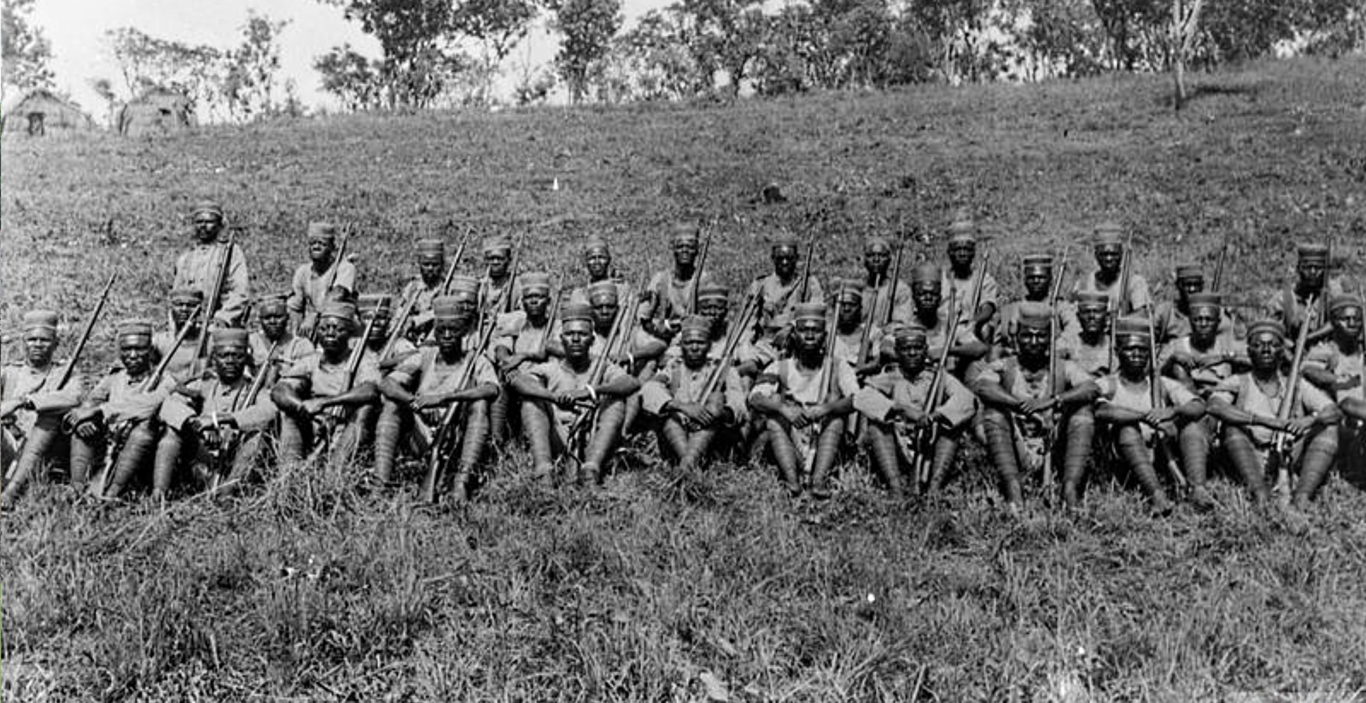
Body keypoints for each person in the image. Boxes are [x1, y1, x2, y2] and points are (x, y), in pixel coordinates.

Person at [972, 303, 1099, 510]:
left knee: (1083, 412)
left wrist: (1055, 400)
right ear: (1017, 337)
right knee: (994, 412)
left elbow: (1091, 388)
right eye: (1027, 336)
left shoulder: (1063, 367)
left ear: (1050, 339)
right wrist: (1019, 405)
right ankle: (1013, 490)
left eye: (1040, 336)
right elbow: (983, 386)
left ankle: (1070, 489)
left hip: (1053, 445)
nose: (1033, 342)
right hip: (1017, 445)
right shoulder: (1005, 366)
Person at [373, 297, 499, 500]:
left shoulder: (476, 360)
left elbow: (491, 389)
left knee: (479, 404)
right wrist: (414, 402)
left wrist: (444, 398)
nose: (447, 336)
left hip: (457, 437)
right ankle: (380, 484)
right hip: (421, 433)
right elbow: (388, 384)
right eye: (442, 331)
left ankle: (462, 482)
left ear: (464, 332)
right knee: (391, 406)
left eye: (454, 330)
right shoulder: (424, 355)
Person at [1207, 320, 1342, 509]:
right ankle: (1259, 492)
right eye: (1258, 345)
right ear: (1249, 351)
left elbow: (1333, 410)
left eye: (1273, 345)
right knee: (1232, 427)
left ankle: (1303, 496)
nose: (1266, 350)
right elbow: (1214, 406)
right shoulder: (1238, 381)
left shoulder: (1295, 384)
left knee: (1329, 427)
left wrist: (1310, 420)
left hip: (1290, 454)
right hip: (1250, 454)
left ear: (1281, 352)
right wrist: (1262, 421)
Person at [511, 304, 641, 487]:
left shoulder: (603, 367)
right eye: (570, 335)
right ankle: (544, 471)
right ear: (562, 339)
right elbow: (520, 382)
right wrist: (553, 397)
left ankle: (591, 469)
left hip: (593, 439)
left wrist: (590, 392)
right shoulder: (550, 368)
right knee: (532, 401)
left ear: (592, 340)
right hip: (557, 437)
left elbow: (631, 382)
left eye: (582, 334)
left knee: (615, 401)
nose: (576, 339)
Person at [1092, 317, 1207, 514]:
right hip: (1126, 460)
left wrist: (1173, 411)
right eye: (1129, 349)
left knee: (1192, 426)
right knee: (1127, 430)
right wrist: (1144, 416)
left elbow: (1198, 405)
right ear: (1117, 352)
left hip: (1162, 454)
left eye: (1143, 350)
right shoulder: (1107, 384)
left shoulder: (1161, 384)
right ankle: (1156, 495)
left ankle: (1197, 489)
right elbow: (1102, 411)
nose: (1136, 354)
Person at [749, 302, 859, 497]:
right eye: (803, 330)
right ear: (794, 335)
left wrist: (827, 409)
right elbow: (755, 398)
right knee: (775, 419)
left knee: (836, 419)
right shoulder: (780, 367)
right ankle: (792, 482)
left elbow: (857, 398)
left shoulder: (837, 366)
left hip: (824, 441)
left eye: (815, 331)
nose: (809, 336)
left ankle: (819, 481)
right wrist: (784, 409)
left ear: (824, 336)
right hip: (793, 440)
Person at [855, 326, 977, 498]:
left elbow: (967, 399)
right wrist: (900, 409)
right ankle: (895, 487)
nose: (912, 353)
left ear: (925, 350)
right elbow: (862, 398)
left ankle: (935, 487)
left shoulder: (938, 376)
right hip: (899, 443)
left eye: (917, 348)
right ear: (897, 352)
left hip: (930, 446)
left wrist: (938, 415)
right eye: (906, 349)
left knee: (953, 426)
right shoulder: (890, 376)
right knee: (876, 425)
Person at [158, 328, 276, 497]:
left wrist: (224, 419)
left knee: (255, 439)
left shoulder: (254, 389)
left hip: (234, 460)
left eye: (237, 356)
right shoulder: (203, 384)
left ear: (246, 359)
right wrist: (196, 423)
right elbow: (170, 404)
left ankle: (229, 492)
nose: (230, 361)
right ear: (214, 358)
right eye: (224, 356)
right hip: (200, 458)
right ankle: (160, 494)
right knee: (171, 433)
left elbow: (268, 411)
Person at [67, 320, 176, 501]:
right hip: (111, 441)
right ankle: (77, 488)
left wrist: (101, 411)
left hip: (143, 452)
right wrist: (85, 417)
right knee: (83, 422)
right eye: (126, 350)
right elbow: (92, 400)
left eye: (140, 349)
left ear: (150, 350)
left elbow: (149, 405)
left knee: (143, 429)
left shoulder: (166, 380)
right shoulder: (115, 377)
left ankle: (112, 493)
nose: (132, 355)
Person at [271, 301, 380, 466]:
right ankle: (289, 473)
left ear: (350, 333)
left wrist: (326, 402)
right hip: (315, 423)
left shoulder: (363, 360)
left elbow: (370, 390)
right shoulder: (310, 361)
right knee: (288, 412)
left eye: (338, 329)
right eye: (324, 329)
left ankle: (337, 472)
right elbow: (280, 390)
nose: (330, 334)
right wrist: (301, 407)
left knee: (365, 409)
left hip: (348, 423)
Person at [641, 316, 746, 472]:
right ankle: (689, 464)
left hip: (713, 440)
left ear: (709, 345)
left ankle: (686, 466)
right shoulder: (674, 367)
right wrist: (682, 407)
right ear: (682, 345)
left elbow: (739, 404)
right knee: (669, 417)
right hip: (678, 435)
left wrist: (720, 412)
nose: (695, 348)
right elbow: (649, 388)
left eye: (700, 343)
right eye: (689, 343)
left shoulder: (723, 370)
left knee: (716, 400)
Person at [0, 310, 84, 504]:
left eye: (44, 340)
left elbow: (74, 397)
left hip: (47, 448)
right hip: (11, 445)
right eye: (32, 339)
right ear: (23, 342)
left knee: (49, 417)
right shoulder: (9, 372)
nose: (37, 345)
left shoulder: (67, 372)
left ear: (56, 343)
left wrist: (24, 401)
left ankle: (13, 491)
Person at [1300, 295, 1363, 476]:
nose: (1352, 324)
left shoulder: (1361, 350)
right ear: (1334, 322)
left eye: (1357, 319)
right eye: (1346, 319)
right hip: (1343, 422)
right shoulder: (1326, 350)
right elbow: (1308, 369)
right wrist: (1336, 379)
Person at [490, 272, 556, 444]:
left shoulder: (556, 327)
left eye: (539, 297)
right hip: (515, 378)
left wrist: (524, 356)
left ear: (548, 302)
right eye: (529, 297)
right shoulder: (516, 323)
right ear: (522, 302)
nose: (534, 301)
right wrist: (508, 362)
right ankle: (496, 440)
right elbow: (501, 347)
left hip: (543, 382)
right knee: (500, 382)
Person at [172, 200, 250, 327]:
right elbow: (176, 295)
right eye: (199, 222)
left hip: (219, 323)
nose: (203, 226)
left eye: (209, 222)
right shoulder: (186, 257)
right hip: (188, 324)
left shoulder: (230, 252)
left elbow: (240, 292)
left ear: (219, 225)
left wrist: (223, 317)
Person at [907, 262, 989, 378]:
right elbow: (886, 348)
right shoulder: (905, 327)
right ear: (914, 297)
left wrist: (946, 351)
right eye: (922, 294)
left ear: (940, 298)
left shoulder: (950, 325)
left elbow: (980, 348)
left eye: (933, 294)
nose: (928, 298)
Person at [1158, 292, 1244, 395]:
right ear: (1190, 321)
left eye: (1209, 320)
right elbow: (1155, 375)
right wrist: (1171, 360)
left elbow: (1256, 364)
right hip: (1187, 403)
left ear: (1218, 321)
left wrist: (1224, 358)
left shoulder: (1228, 345)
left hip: (1221, 401)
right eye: (1198, 320)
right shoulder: (1176, 346)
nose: (1203, 324)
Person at [641, 222, 714, 341]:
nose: (685, 251)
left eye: (690, 247)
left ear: (697, 250)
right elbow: (645, 316)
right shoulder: (660, 279)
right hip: (663, 335)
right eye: (680, 247)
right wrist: (658, 331)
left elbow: (708, 320)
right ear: (673, 248)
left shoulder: (703, 280)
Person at [747, 232, 824, 337]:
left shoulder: (809, 284)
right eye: (780, 258)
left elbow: (816, 317)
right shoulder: (760, 285)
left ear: (796, 258)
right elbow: (748, 323)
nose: (784, 262)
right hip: (765, 345)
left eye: (789, 258)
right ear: (773, 258)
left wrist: (792, 326)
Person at [289, 222, 357, 339]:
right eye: (313, 243)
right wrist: (296, 335)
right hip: (314, 328)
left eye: (322, 243)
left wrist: (314, 315)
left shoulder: (345, 268)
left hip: (340, 327)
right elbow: (294, 306)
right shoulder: (303, 272)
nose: (316, 247)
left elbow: (336, 296)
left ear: (332, 247)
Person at [1262, 243, 1343, 339]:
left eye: (1318, 268)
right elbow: (1270, 331)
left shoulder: (1334, 294)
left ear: (1326, 270)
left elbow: (1344, 323)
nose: (1313, 272)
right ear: (1298, 269)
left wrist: (1312, 337)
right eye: (1307, 267)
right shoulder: (1284, 298)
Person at [996, 253, 1072, 352]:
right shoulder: (1011, 309)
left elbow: (1072, 332)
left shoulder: (1061, 307)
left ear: (1050, 280)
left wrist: (1051, 349)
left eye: (1041, 277)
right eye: (1031, 278)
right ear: (1025, 280)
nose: (1036, 281)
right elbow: (998, 343)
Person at [1071, 222, 1151, 316]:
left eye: (1113, 254)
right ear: (1096, 255)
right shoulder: (1084, 284)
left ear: (1121, 254)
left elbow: (1143, 314)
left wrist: (1118, 323)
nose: (1109, 259)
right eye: (1104, 254)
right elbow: (1073, 315)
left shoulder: (1134, 283)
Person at [942, 219, 999, 339]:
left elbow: (988, 307)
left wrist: (974, 322)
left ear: (973, 253)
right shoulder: (941, 279)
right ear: (950, 252)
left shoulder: (983, 279)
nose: (962, 254)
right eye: (958, 250)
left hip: (971, 329)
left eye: (967, 250)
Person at [249, 292, 315, 393]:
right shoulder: (251, 342)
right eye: (267, 318)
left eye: (278, 317)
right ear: (259, 319)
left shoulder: (301, 345)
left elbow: (307, 374)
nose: (273, 321)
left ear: (287, 317)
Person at [398, 238, 450, 342]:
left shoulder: (448, 287)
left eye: (435, 264)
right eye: (426, 264)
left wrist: (417, 320)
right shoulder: (412, 287)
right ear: (419, 264)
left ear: (442, 264)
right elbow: (400, 313)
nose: (430, 268)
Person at [154, 288, 208, 383]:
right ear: (171, 308)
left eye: (191, 305)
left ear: (199, 310)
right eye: (179, 304)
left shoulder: (209, 341)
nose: (184, 309)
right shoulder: (160, 341)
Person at [857, 235, 911, 328]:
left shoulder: (900, 290)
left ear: (889, 260)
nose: (876, 260)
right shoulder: (857, 289)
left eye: (881, 256)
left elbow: (901, 323)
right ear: (864, 260)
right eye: (871, 255)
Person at [568, 235, 631, 306]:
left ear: (609, 260)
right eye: (592, 258)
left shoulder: (621, 290)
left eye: (601, 257)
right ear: (586, 262)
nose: (597, 262)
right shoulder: (578, 295)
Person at [479, 234, 520, 316]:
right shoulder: (480, 285)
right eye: (492, 258)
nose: (495, 262)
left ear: (508, 260)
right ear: (486, 261)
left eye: (500, 258)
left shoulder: (516, 285)